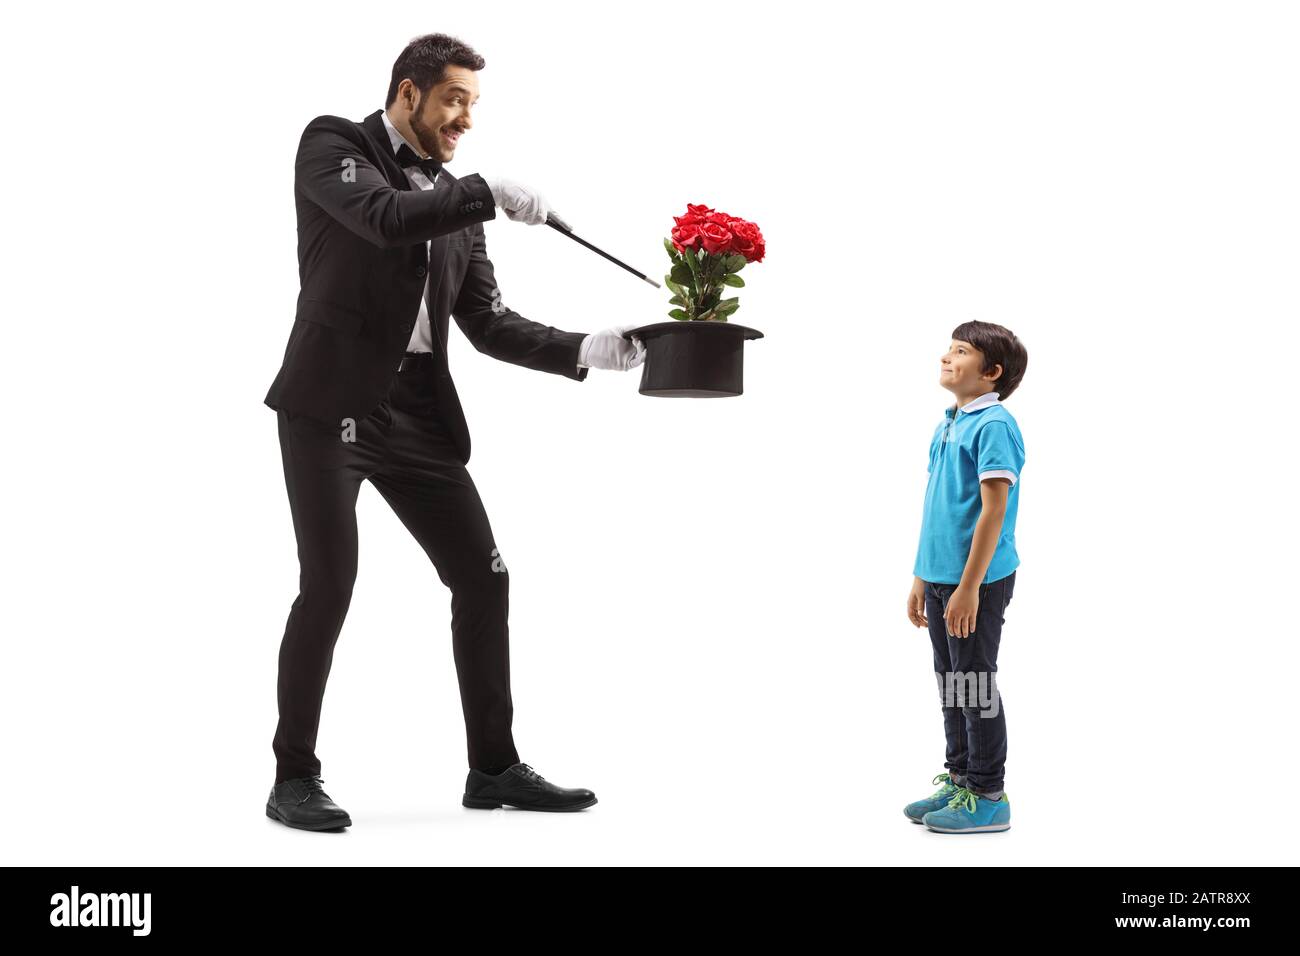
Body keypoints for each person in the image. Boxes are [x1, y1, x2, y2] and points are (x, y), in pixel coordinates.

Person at [262, 33, 645, 831]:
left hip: (415, 416)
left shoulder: (455, 204)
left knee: (484, 576)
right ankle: (293, 777)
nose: (466, 117)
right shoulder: (335, 143)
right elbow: (381, 215)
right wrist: (483, 191)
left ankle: (494, 768)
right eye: (454, 99)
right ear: (409, 94)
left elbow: (489, 323)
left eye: (475, 103)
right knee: (329, 586)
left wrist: (588, 349)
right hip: (329, 406)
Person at [903, 321, 1028, 833]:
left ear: (992, 373)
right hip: (939, 579)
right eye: (949, 348)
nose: (947, 357)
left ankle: (988, 793)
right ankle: (960, 778)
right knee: (950, 682)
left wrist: (969, 587)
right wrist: (919, 576)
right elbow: (937, 508)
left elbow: (993, 511)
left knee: (974, 682)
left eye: (962, 351)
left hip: (973, 583)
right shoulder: (949, 422)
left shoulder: (993, 424)